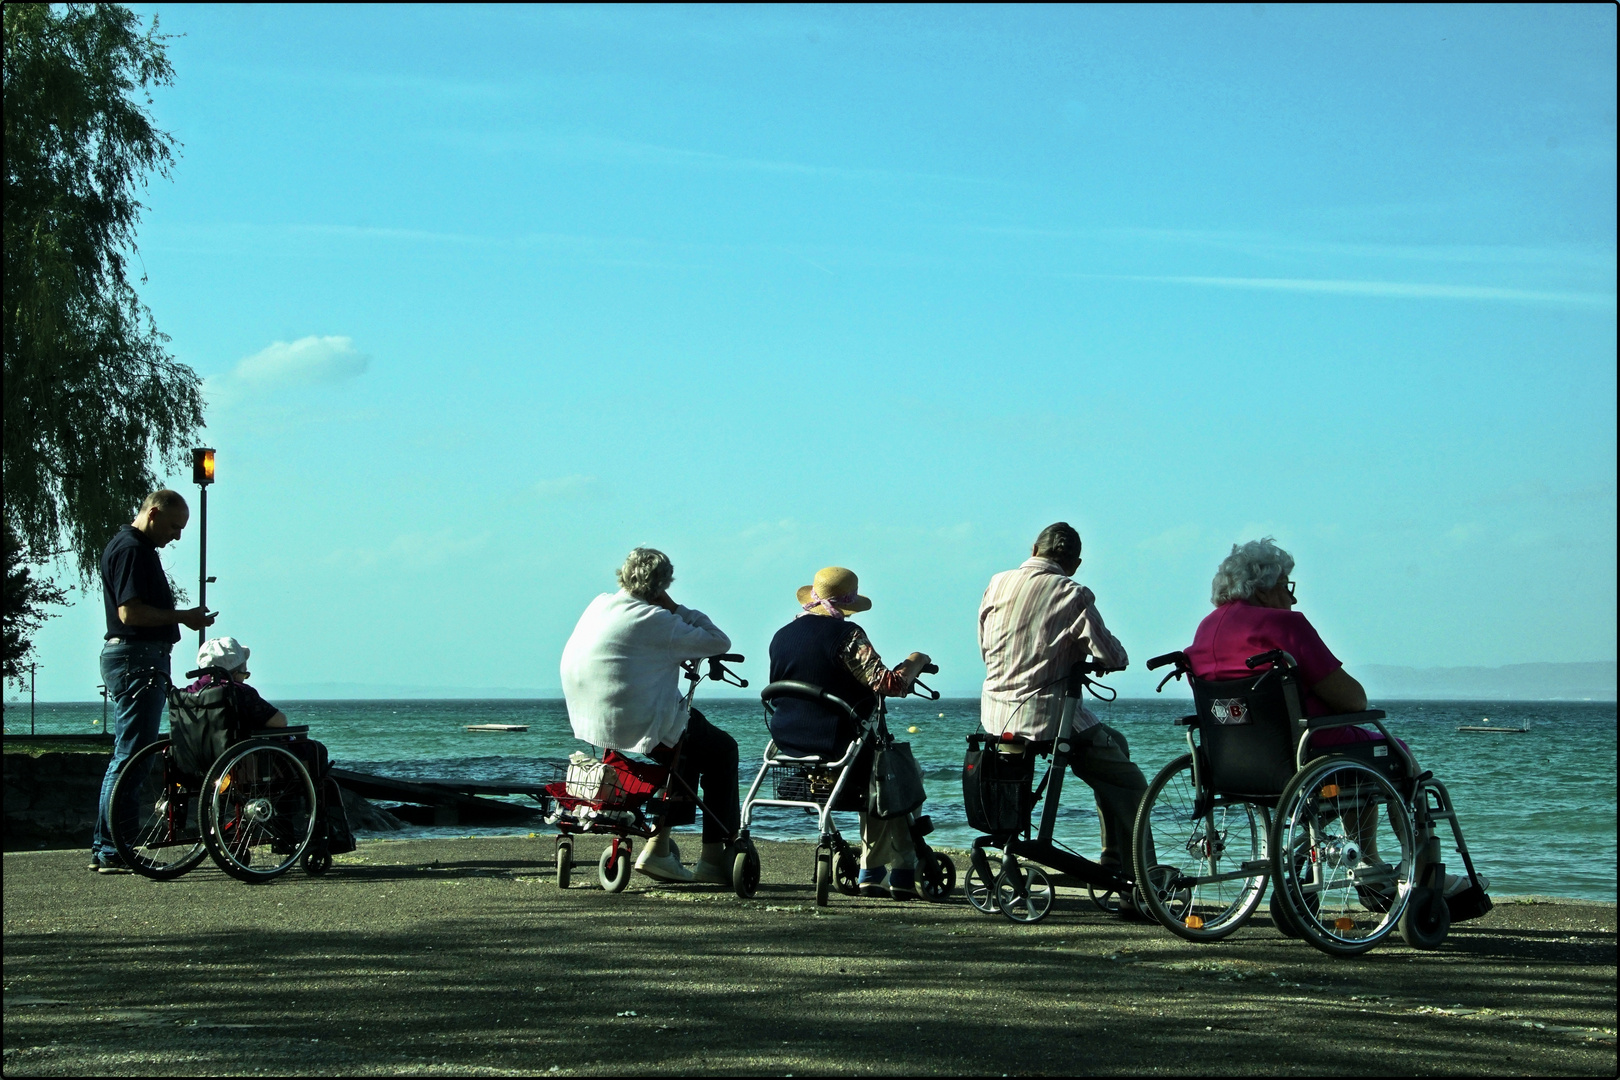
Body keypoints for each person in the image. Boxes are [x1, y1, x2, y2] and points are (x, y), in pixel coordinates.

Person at [1183, 537, 1486, 896]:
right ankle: (1419, 870)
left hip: (1232, 764)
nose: (1293, 599)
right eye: (1286, 587)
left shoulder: (1205, 629)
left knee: (1356, 760)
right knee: (1393, 754)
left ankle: (1370, 864)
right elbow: (1353, 699)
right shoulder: (1283, 625)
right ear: (1262, 589)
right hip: (1302, 751)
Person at [978, 522, 1149, 876]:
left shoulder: (997, 583)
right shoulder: (1072, 594)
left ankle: (1113, 856)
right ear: (1075, 564)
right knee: (1129, 783)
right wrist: (1111, 660)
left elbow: (984, 644)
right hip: (1049, 720)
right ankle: (1143, 876)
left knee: (1116, 742)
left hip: (996, 715)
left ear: (1034, 549)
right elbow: (1111, 654)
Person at [560, 547, 737, 884]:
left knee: (685, 751)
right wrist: (674, 607)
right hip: (638, 722)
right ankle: (712, 859)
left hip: (593, 719)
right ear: (662, 585)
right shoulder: (659, 620)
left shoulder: (599, 604)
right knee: (721, 749)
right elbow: (719, 642)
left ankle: (660, 846)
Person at [767, 566, 932, 900]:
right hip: (840, 739)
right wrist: (916, 660)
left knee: (883, 775)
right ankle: (888, 869)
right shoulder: (846, 636)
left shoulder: (782, 636)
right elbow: (890, 684)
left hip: (791, 740)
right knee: (897, 776)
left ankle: (885, 869)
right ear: (848, 604)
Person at [90, 489, 215, 874]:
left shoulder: (126, 546)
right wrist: (183, 617)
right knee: (132, 757)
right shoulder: (133, 550)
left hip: (134, 658)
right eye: (175, 527)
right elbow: (130, 613)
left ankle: (107, 845)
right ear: (154, 514)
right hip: (139, 658)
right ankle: (112, 848)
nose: (177, 536)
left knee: (126, 754)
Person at [187, 636, 287, 728]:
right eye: (245, 674)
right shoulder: (239, 692)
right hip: (234, 742)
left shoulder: (189, 692)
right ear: (235, 674)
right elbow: (280, 722)